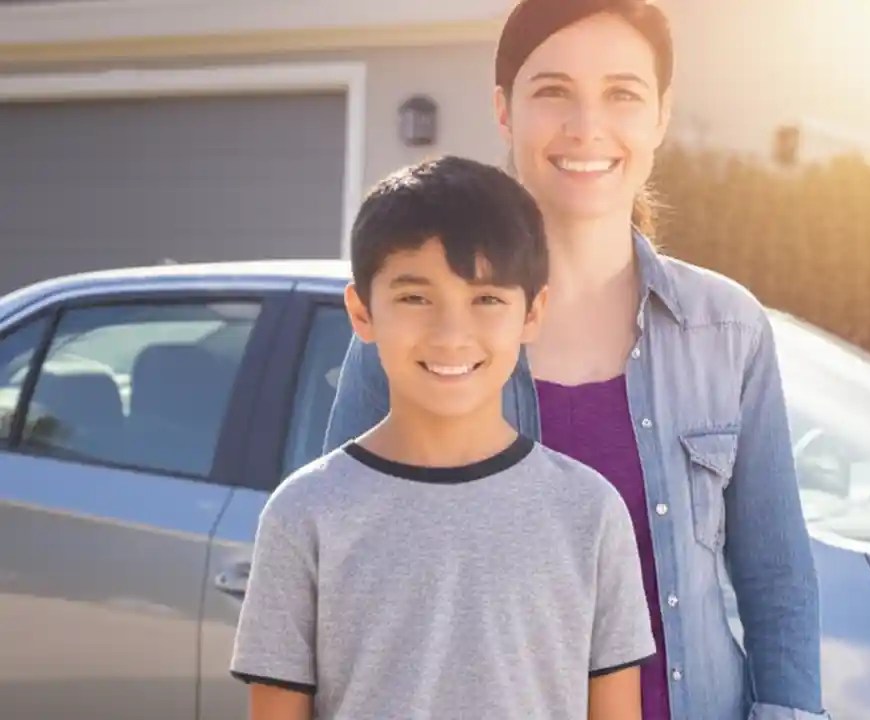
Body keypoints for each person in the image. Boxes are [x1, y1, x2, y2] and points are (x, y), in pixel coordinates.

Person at [324, 1, 828, 718]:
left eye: (622, 93)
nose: (587, 127)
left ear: (660, 115)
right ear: (504, 111)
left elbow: (778, 583)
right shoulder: (422, 337)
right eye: (553, 91)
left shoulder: (728, 330)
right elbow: (347, 578)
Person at [230, 156, 655, 720]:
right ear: (362, 311)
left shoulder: (589, 511)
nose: (451, 335)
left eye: (487, 300)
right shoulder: (305, 515)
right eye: (415, 297)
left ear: (533, 312)